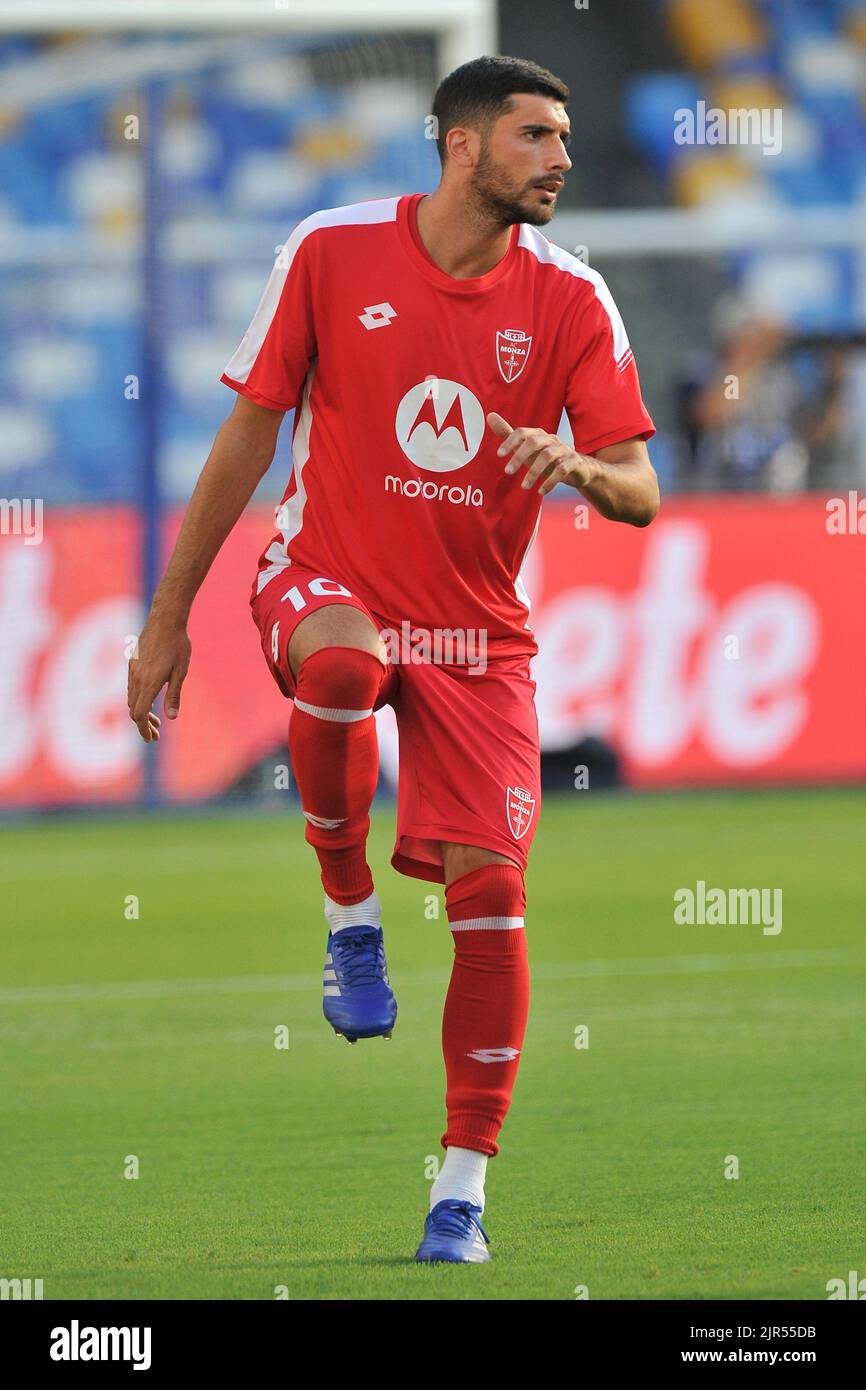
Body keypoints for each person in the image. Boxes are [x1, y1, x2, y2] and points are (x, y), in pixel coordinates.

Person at [127, 55, 659, 1265]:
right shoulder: (330, 248)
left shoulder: (573, 298)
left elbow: (639, 486)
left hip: (479, 636)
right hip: (330, 580)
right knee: (340, 672)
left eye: (566, 135)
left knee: (491, 897)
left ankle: (459, 1193)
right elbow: (249, 432)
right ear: (461, 146)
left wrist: (579, 470)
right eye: (536, 135)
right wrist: (167, 616)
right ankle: (348, 905)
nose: (561, 158)